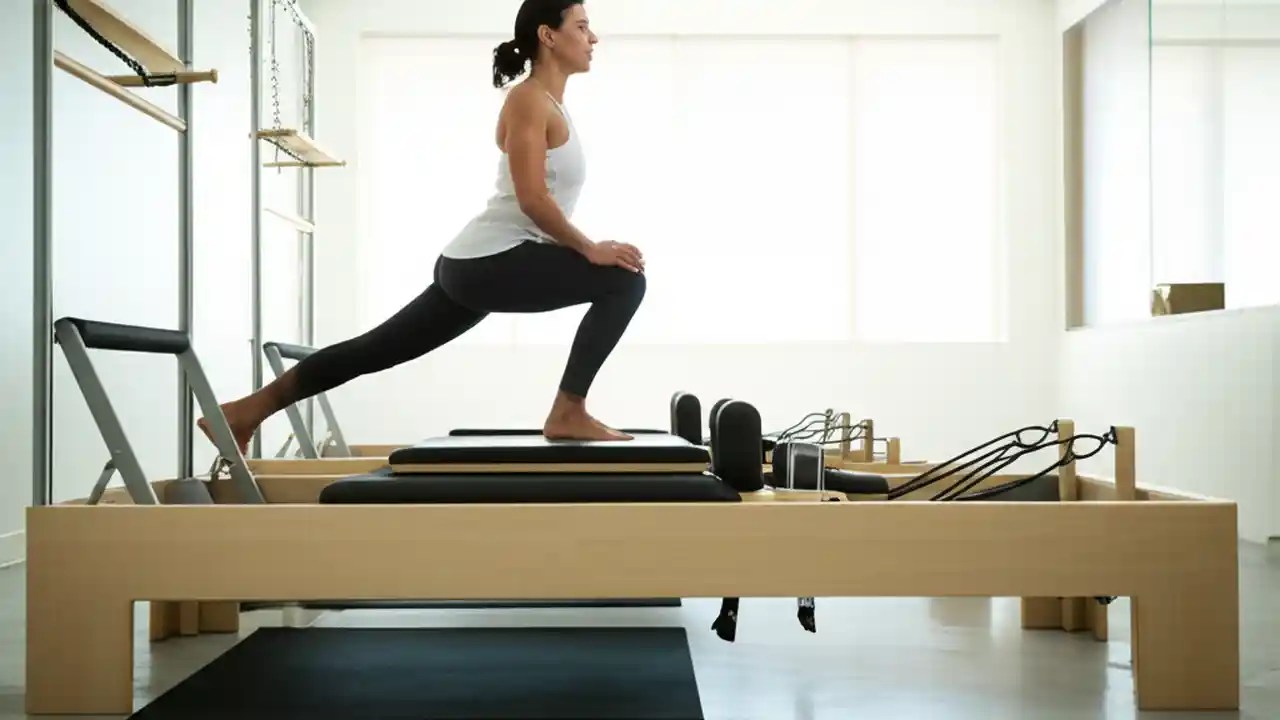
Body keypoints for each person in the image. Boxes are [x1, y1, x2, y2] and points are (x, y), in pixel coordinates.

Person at [200, 0, 646, 453]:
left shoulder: (548, 103)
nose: (593, 38)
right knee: (624, 283)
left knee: (376, 350)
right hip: (491, 260)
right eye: (583, 26)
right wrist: (589, 248)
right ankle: (569, 409)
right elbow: (532, 198)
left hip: (479, 263)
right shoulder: (528, 100)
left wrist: (582, 248)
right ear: (548, 35)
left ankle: (241, 412)